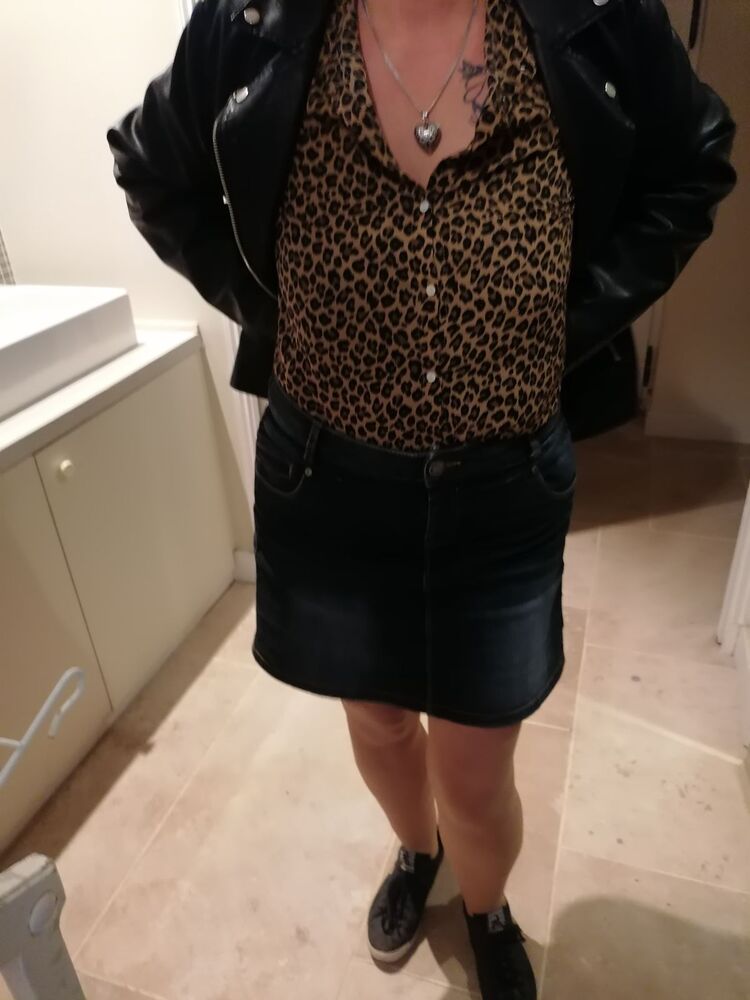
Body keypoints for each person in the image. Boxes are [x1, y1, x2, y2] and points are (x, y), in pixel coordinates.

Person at [107, 1, 737, 996]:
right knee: (380, 724)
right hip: (329, 478)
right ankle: (416, 849)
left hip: (504, 485)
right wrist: (272, 311)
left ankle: (488, 908)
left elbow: (694, 159)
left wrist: (567, 321)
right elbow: (151, 165)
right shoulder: (255, 17)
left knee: (479, 772)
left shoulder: (591, 13)